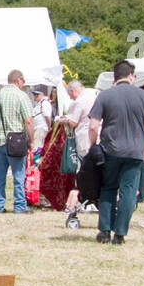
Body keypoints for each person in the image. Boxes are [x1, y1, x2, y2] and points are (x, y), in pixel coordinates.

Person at [89, 60, 144, 244]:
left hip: (111, 150)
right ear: (131, 76)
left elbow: (93, 125)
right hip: (135, 152)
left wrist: (93, 146)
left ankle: (104, 231)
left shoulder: (105, 95)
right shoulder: (143, 96)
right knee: (128, 191)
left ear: (115, 76)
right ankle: (120, 234)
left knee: (108, 189)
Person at [0, 70, 34, 214]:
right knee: (18, 175)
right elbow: (28, 121)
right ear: (19, 80)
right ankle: (19, 206)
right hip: (17, 140)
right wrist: (31, 140)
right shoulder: (21, 96)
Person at [54, 80, 98, 219]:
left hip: (84, 140)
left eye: (70, 95)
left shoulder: (79, 101)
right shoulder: (95, 93)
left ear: (72, 91)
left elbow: (73, 122)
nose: (71, 98)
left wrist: (62, 120)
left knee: (83, 172)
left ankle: (80, 200)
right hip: (99, 138)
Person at [31, 87, 53, 153]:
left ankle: (36, 162)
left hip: (41, 129)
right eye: (34, 94)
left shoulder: (44, 103)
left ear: (42, 94)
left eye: (37, 94)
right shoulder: (39, 104)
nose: (35, 96)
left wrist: (49, 128)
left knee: (37, 148)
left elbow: (47, 117)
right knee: (37, 147)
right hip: (38, 129)